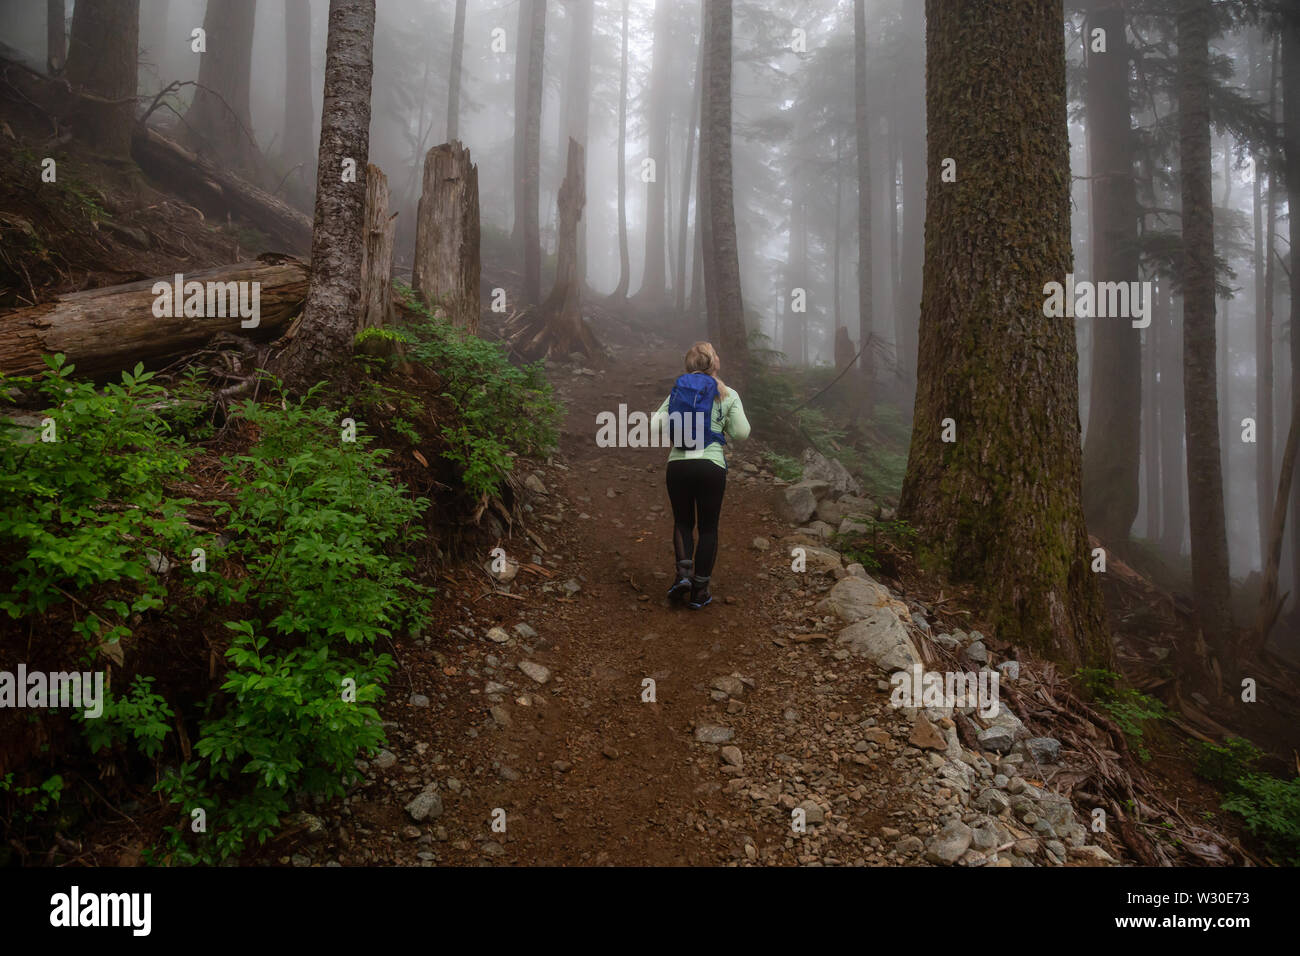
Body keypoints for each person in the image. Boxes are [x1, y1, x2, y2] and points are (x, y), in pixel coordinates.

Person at [650, 342, 750, 609]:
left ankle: (682, 577)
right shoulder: (728, 394)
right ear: (713, 363)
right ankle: (700, 590)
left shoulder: (678, 392)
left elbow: (654, 426)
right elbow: (742, 433)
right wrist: (722, 423)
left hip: (678, 465)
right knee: (708, 528)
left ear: (689, 366)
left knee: (683, 522)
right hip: (710, 466)